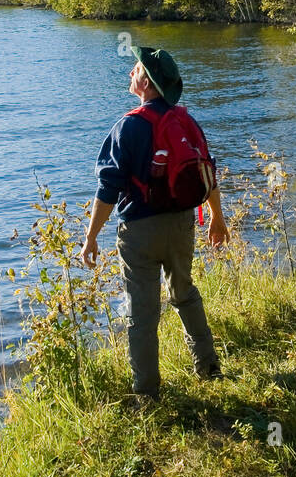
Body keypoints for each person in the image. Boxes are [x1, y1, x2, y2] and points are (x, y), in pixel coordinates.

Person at [80, 45, 228, 400]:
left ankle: (147, 394)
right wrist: (217, 219)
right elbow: (207, 173)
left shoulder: (127, 127)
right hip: (182, 225)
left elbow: (108, 189)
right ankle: (208, 368)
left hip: (140, 234)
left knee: (142, 313)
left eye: (135, 69)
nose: (131, 72)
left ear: (145, 82)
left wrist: (90, 237)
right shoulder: (187, 122)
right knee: (184, 294)